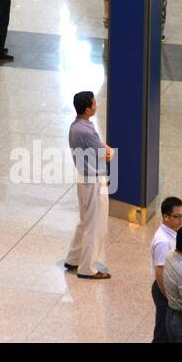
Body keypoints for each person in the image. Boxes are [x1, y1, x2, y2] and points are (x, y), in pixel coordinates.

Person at [64, 91, 112, 280]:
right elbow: (104, 153)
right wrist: (109, 152)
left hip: (83, 178)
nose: (96, 105)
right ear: (87, 109)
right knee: (96, 224)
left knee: (85, 220)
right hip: (95, 181)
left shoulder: (75, 127)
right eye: (94, 103)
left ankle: (74, 258)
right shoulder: (87, 130)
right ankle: (88, 268)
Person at [149, 196, 182, 342]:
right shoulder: (163, 241)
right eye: (177, 216)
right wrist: (170, 297)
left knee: (169, 329)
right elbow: (160, 272)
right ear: (165, 217)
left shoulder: (173, 233)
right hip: (164, 289)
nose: (181, 219)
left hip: (171, 287)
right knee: (163, 332)